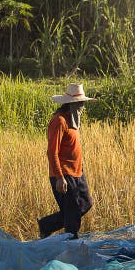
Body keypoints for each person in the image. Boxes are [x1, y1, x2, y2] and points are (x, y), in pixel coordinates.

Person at [38, 83, 96, 239]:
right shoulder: (59, 121)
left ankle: (46, 225)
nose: (82, 106)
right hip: (64, 174)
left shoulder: (73, 120)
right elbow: (52, 151)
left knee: (85, 204)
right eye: (80, 103)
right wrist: (59, 177)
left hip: (77, 173)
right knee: (72, 215)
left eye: (83, 103)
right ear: (71, 104)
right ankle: (71, 243)